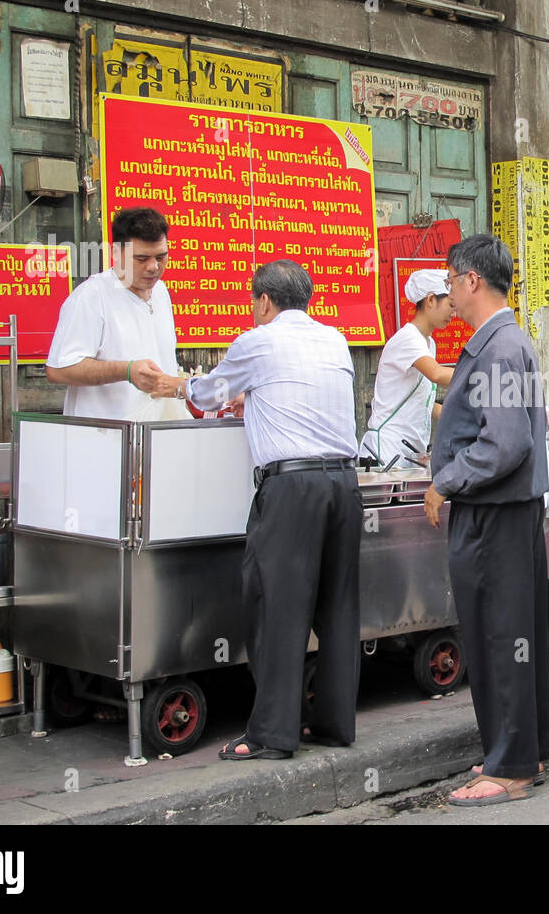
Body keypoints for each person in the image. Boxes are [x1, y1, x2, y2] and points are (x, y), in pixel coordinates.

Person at [152, 260, 361, 758]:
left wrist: (174, 384)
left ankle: (271, 733)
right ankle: (334, 724)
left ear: (264, 302)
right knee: (338, 609)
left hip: (293, 490)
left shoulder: (258, 341)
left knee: (276, 607)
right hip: (344, 485)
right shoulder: (334, 340)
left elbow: (207, 394)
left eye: (253, 303)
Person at [422, 234, 549, 806]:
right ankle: (524, 749)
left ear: (473, 280)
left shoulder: (500, 346)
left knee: (500, 637)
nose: (448, 294)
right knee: (515, 636)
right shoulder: (501, 342)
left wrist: (445, 481)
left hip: (493, 515)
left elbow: (505, 443)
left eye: (452, 281)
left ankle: (510, 767)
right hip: (502, 514)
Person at [46, 207, 175, 417]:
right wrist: (126, 371)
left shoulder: (161, 292)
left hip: (154, 436)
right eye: (141, 259)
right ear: (115, 253)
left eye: (161, 257)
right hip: (103, 439)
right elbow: (58, 369)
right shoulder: (92, 296)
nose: (153, 267)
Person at [359, 269, 455, 466]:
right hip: (386, 451)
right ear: (430, 300)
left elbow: (422, 403)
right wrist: (482, 374)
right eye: (451, 305)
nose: (454, 314)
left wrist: (460, 415)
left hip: (409, 452)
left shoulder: (429, 343)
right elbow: (436, 374)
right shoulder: (408, 338)